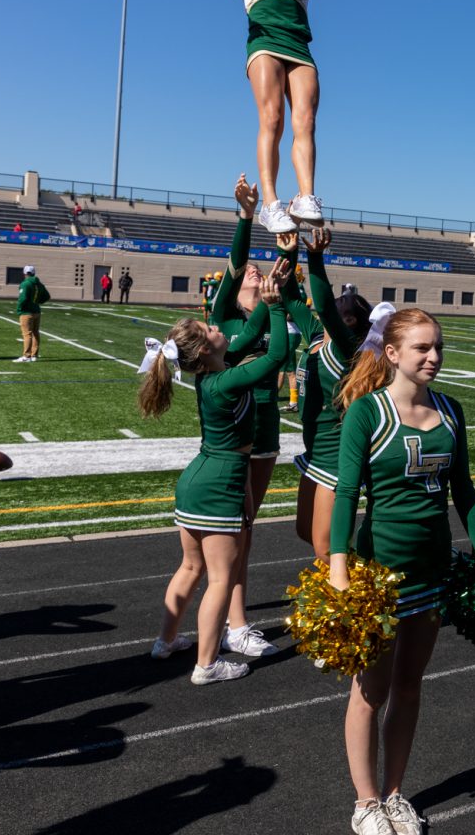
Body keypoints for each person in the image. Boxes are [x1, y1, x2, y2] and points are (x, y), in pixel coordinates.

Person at [148, 0, 423, 235]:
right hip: (264, 45)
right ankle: (271, 204)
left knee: (305, 121)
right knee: (273, 118)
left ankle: (307, 197)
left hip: (300, 50)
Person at [329, 307, 475, 835]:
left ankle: (396, 793)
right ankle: (366, 802)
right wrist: (339, 569)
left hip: (432, 574)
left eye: (438, 347)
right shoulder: (367, 413)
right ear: (393, 353)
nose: (434, 357)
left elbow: (463, 491)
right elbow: (347, 495)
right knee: (370, 691)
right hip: (378, 578)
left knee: (410, 687)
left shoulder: (451, 410)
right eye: (422, 348)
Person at [138, 259, 292, 683]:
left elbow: (250, 337)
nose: (216, 326)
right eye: (208, 330)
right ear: (206, 349)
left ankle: (166, 641)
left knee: (190, 569)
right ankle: (207, 664)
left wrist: (267, 298)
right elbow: (277, 353)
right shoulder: (229, 380)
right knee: (221, 578)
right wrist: (277, 309)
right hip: (220, 482)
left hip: (197, 480)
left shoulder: (213, 375)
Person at [207, 175, 285, 657]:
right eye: (248, 271)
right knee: (238, 530)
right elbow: (237, 262)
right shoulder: (226, 317)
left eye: (262, 269)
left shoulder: (276, 313)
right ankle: (235, 624)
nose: (254, 270)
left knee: (249, 527)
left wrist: (292, 249)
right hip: (235, 434)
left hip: (268, 430)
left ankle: (233, 619)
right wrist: (246, 216)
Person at [286, 228, 373, 557]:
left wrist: (316, 257)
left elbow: (320, 303)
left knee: (327, 549)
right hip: (316, 454)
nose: (338, 315)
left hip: (336, 460)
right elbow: (293, 297)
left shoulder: (348, 351)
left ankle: (352, 601)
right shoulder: (316, 336)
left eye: (346, 315)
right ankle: (361, 580)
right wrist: (288, 249)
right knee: (305, 532)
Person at [14, 265, 50, 363]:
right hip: (36, 311)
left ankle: (26, 356)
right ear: (34, 273)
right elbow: (47, 296)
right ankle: (34, 355)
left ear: (25, 273)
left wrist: (19, 308)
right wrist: (38, 302)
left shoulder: (25, 284)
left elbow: (23, 298)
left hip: (27, 312)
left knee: (27, 334)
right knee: (35, 333)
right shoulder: (39, 284)